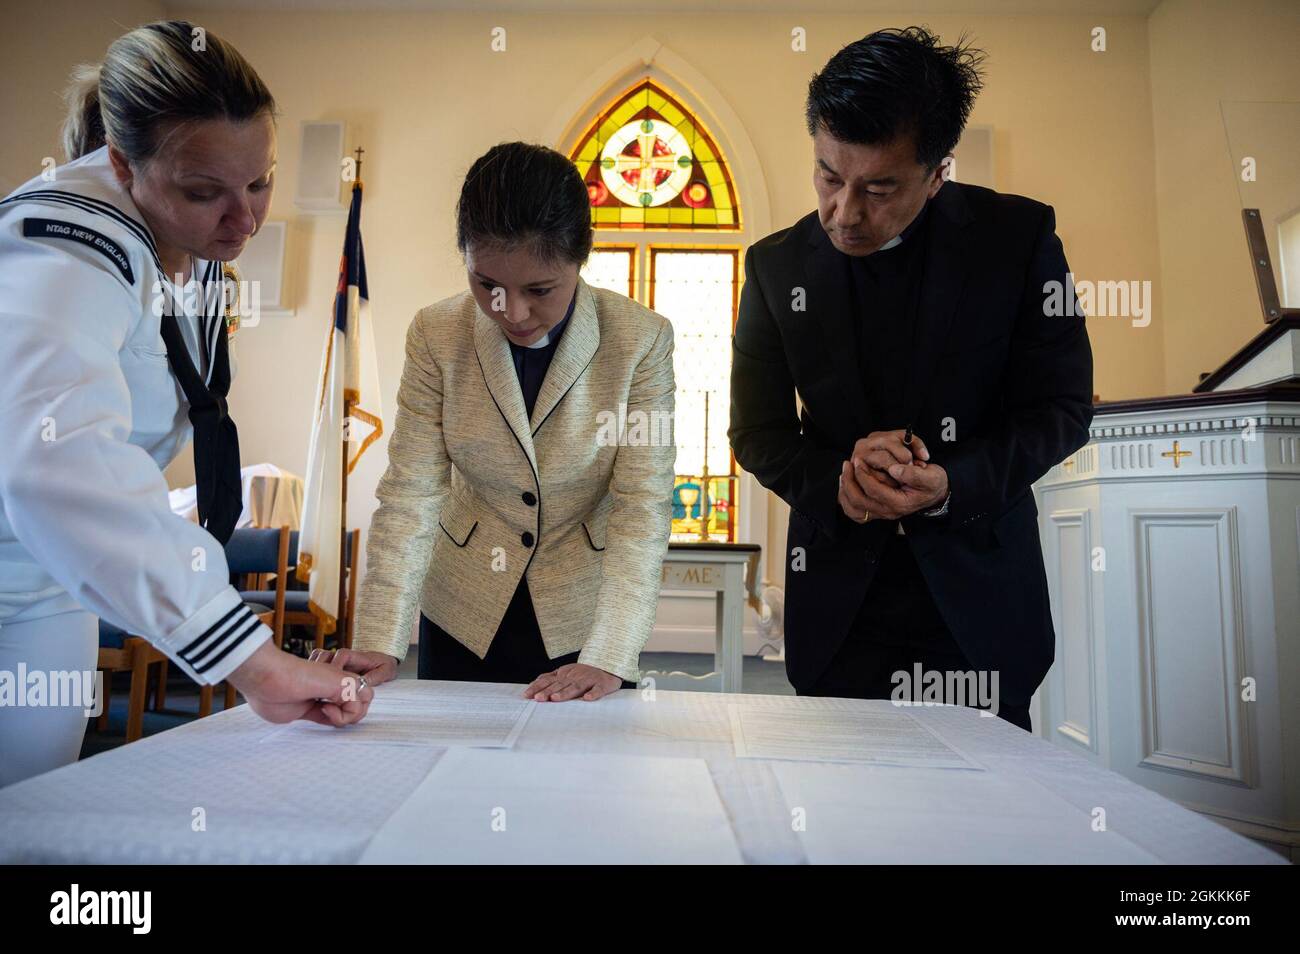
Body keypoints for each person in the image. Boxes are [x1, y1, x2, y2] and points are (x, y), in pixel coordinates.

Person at [0, 20, 373, 787]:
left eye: (260, 182)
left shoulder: (189, 244)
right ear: (122, 164)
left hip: (49, 581)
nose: (246, 220)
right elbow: (59, 464)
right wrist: (251, 659)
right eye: (204, 192)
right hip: (24, 549)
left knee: (35, 796)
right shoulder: (61, 248)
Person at [728, 27, 1094, 731]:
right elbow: (756, 431)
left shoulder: (1017, 241)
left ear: (937, 172)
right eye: (828, 177)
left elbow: (1062, 408)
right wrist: (838, 481)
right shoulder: (776, 267)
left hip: (978, 605)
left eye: (879, 188)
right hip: (838, 610)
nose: (843, 213)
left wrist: (953, 483)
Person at [315, 142, 676, 702]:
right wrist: (381, 636)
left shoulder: (641, 341)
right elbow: (412, 492)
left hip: (583, 616)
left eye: (539, 290)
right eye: (488, 286)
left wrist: (610, 652)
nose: (513, 311)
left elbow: (641, 507)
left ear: (580, 258)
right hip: (463, 604)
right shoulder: (436, 335)